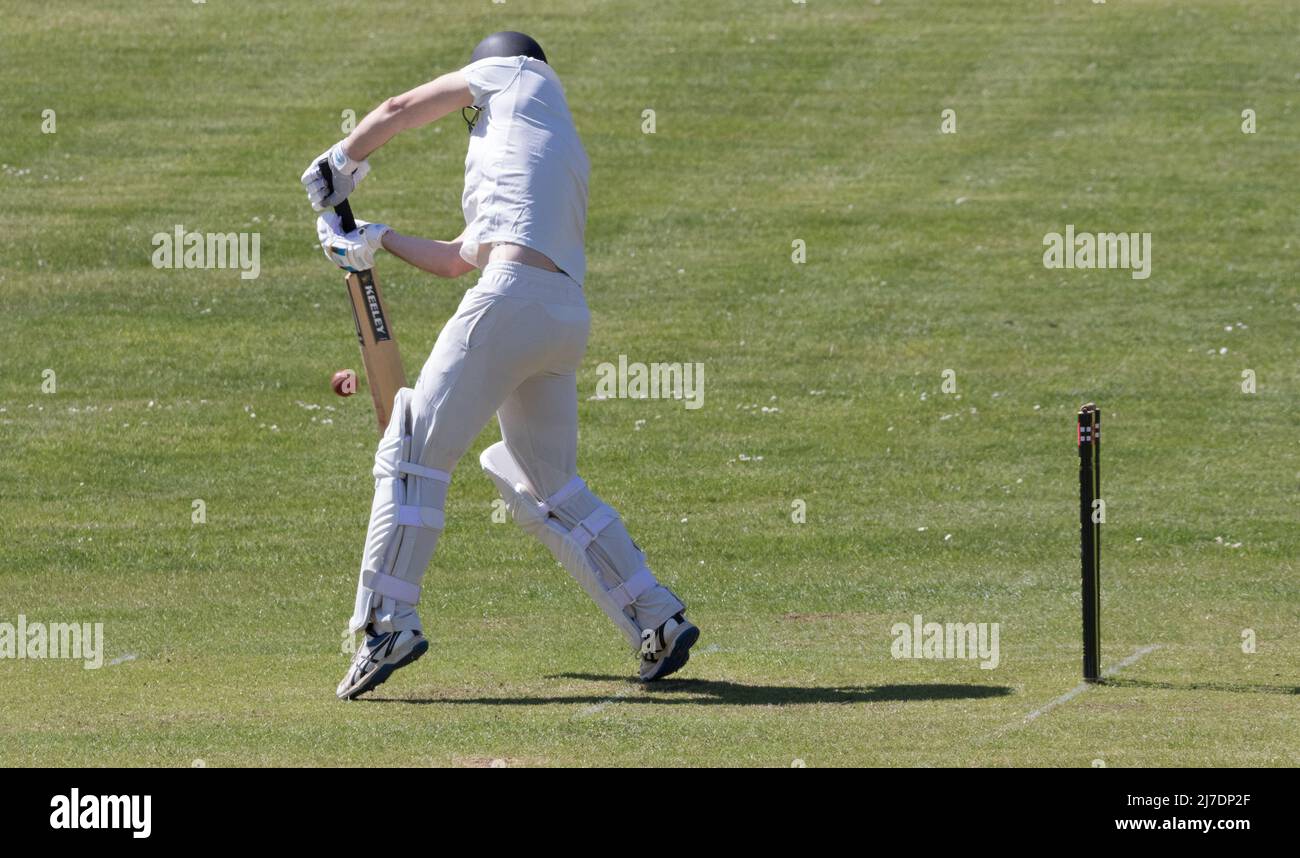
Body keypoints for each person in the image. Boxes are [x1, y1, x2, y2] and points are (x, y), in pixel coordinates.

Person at [301, 32, 698, 700]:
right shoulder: (549, 143)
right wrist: (374, 239)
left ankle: (384, 624)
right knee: (547, 483)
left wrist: (342, 158)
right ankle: (655, 617)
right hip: (561, 317)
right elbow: (461, 257)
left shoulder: (513, 74)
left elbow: (401, 106)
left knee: (411, 451)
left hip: (512, 301)